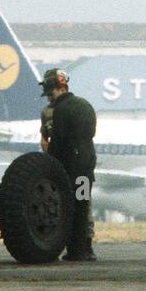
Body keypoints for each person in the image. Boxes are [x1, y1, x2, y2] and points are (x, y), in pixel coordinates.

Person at [39, 68, 97, 261]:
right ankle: (86, 248)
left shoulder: (60, 110)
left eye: (50, 94)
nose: (49, 98)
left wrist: (51, 165)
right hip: (86, 166)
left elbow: (57, 142)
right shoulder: (85, 105)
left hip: (69, 168)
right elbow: (91, 134)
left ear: (55, 89)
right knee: (84, 205)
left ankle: (75, 250)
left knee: (69, 207)